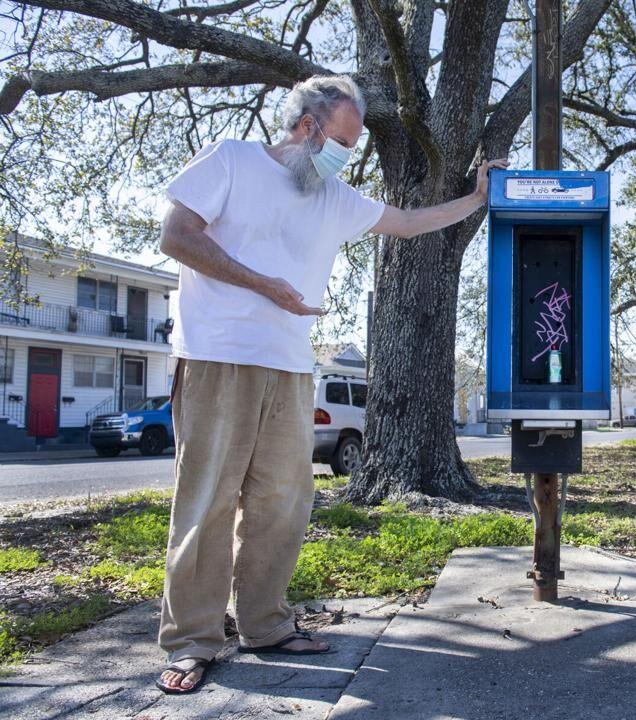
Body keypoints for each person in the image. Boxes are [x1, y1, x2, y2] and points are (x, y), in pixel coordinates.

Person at [154, 74, 507, 694]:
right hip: (217, 357)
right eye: (341, 141)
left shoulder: (332, 195)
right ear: (307, 125)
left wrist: (477, 198)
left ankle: (264, 624)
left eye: (353, 146)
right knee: (207, 502)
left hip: (292, 369)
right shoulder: (232, 160)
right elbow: (176, 236)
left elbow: (406, 221)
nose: (346, 155)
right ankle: (192, 640)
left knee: (284, 503)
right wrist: (263, 284)